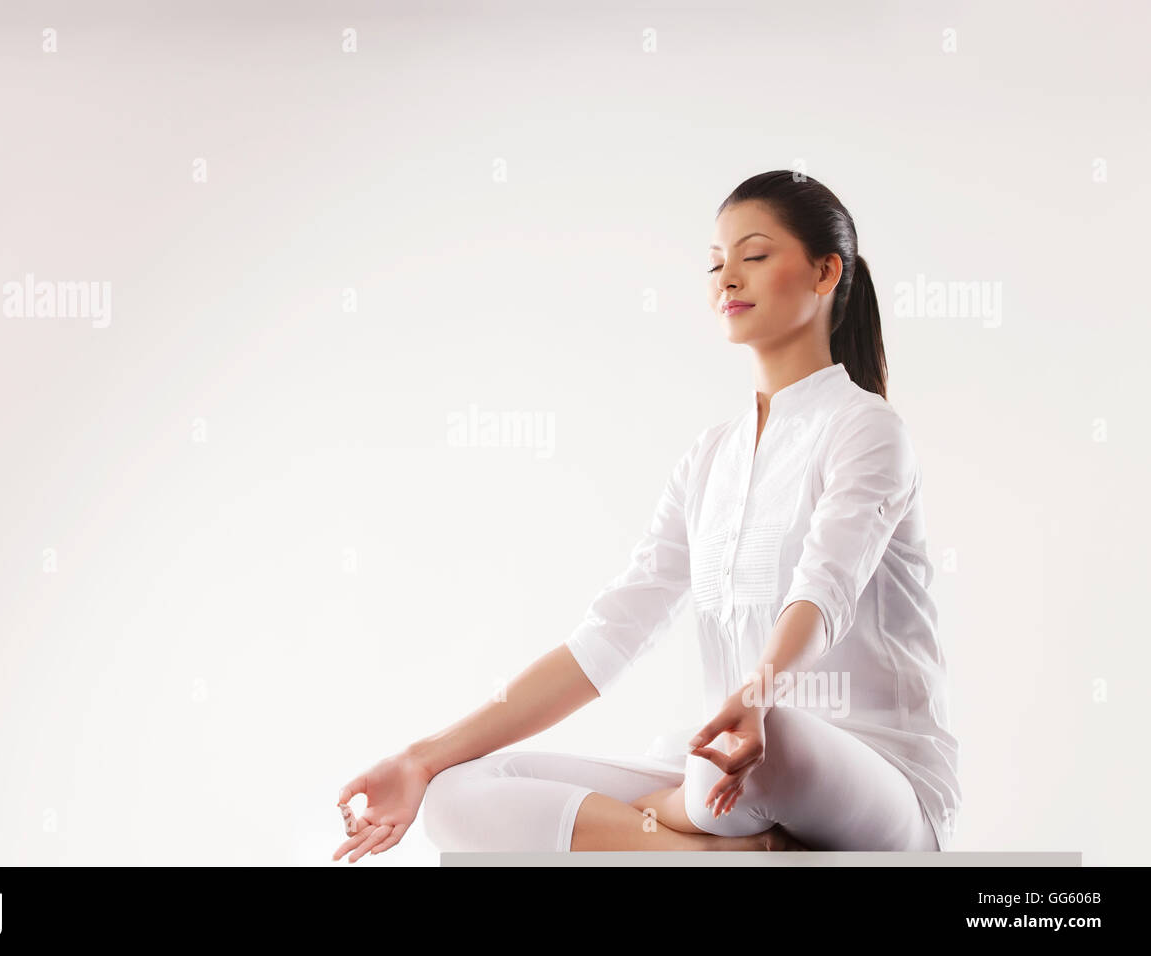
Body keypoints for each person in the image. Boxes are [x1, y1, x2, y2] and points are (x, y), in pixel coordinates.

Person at [332, 170, 961, 862]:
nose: (727, 280)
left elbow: (824, 589)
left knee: (767, 741)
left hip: (867, 785)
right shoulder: (708, 459)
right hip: (725, 777)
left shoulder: (866, 428)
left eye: (752, 257)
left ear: (825, 272)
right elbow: (606, 640)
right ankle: (724, 853)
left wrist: (753, 697)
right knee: (460, 798)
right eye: (717, 264)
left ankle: (674, 820)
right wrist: (420, 760)